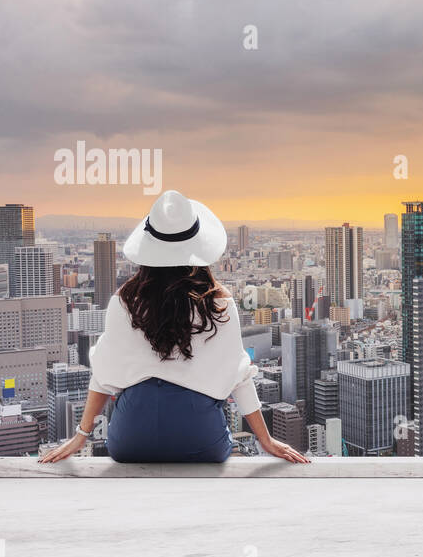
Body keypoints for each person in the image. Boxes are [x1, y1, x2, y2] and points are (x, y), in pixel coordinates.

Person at [40, 190, 309, 464]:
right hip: (199, 438)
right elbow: (239, 375)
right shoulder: (218, 304)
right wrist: (265, 440)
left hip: (132, 440)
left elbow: (104, 375)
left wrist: (81, 435)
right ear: (198, 247)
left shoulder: (124, 302)